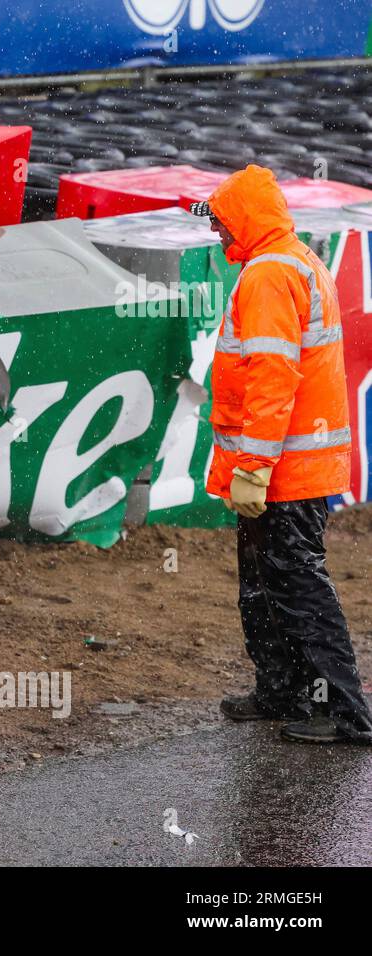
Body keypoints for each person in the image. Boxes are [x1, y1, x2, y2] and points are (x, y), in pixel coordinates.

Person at [190, 164, 372, 745]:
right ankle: (283, 689)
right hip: (292, 466)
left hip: (283, 471)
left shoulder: (269, 275)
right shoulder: (295, 260)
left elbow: (272, 380)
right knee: (267, 585)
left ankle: (341, 710)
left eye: (221, 224)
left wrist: (253, 469)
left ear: (244, 220)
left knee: (295, 587)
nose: (217, 235)